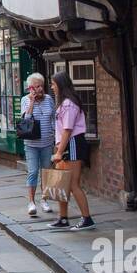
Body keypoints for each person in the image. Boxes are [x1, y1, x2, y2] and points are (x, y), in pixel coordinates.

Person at [48, 72, 95, 231]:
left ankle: (87, 219)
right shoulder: (63, 103)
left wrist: (59, 152)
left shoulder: (68, 104)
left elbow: (68, 130)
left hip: (73, 143)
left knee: (73, 184)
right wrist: (58, 149)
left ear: (61, 85)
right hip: (66, 144)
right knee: (62, 183)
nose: (52, 87)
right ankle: (63, 218)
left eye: (53, 84)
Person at [20, 74, 58, 218]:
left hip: (47, 142)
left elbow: (53, 118)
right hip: (31, 144)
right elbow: (26, 119)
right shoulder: (25, 100)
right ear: (30, 88)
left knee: (46, 172)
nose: (39, 89)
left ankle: (44, 200)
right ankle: (31, 202)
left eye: (41, 85)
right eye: (36, 86)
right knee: (33, 172)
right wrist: (32, 102)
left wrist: (56, 138)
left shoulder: (49, 99)